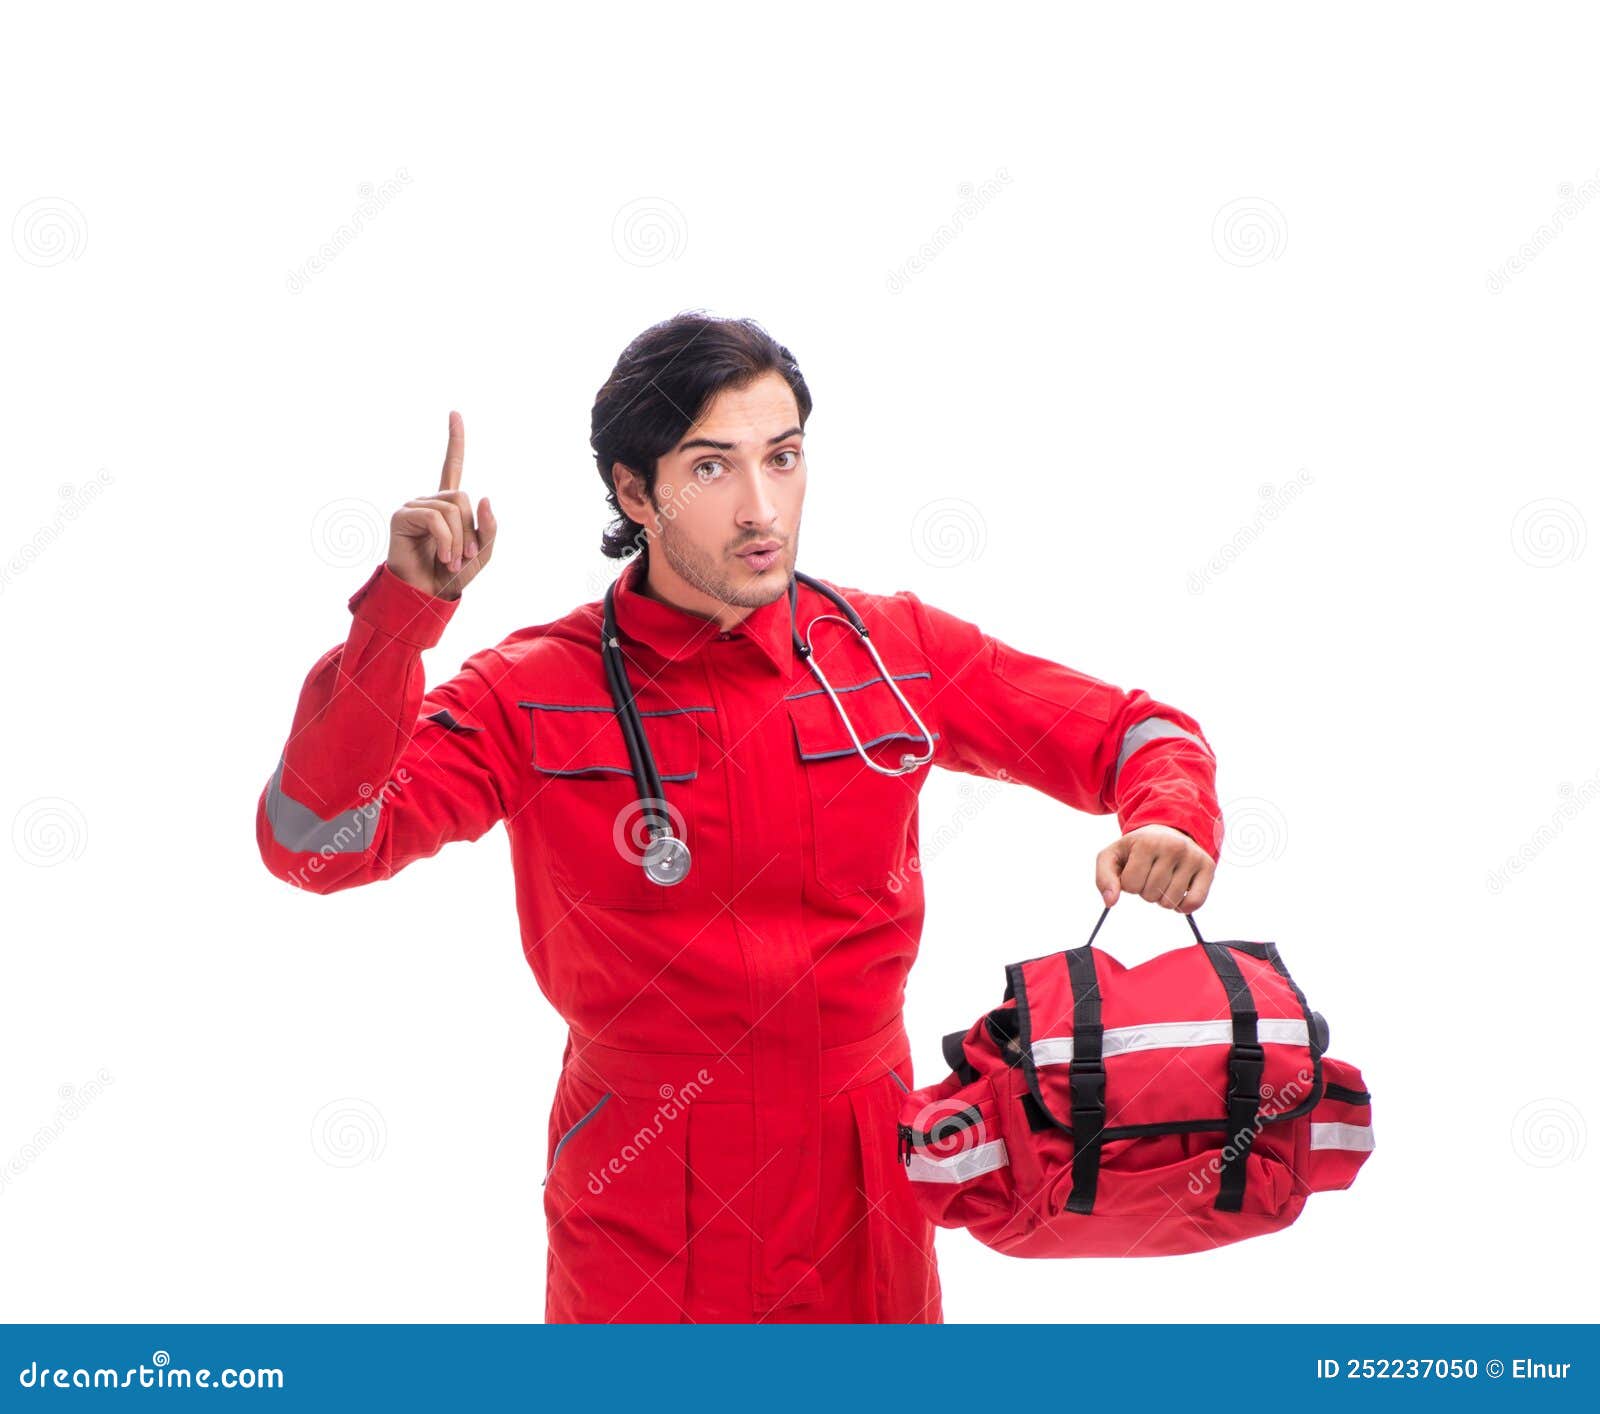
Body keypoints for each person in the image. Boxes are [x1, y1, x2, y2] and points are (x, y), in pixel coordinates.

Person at [255, 311, 1224, 1323]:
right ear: (634, 491)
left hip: (865, 1174)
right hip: (638, 1186)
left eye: (784, 457)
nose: (763, 507)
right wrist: (399, 620)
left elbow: (1133, 731)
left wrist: (1169, 819)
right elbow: (319, 845)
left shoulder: (891, 654)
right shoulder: (527, 691)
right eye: (712, 468)